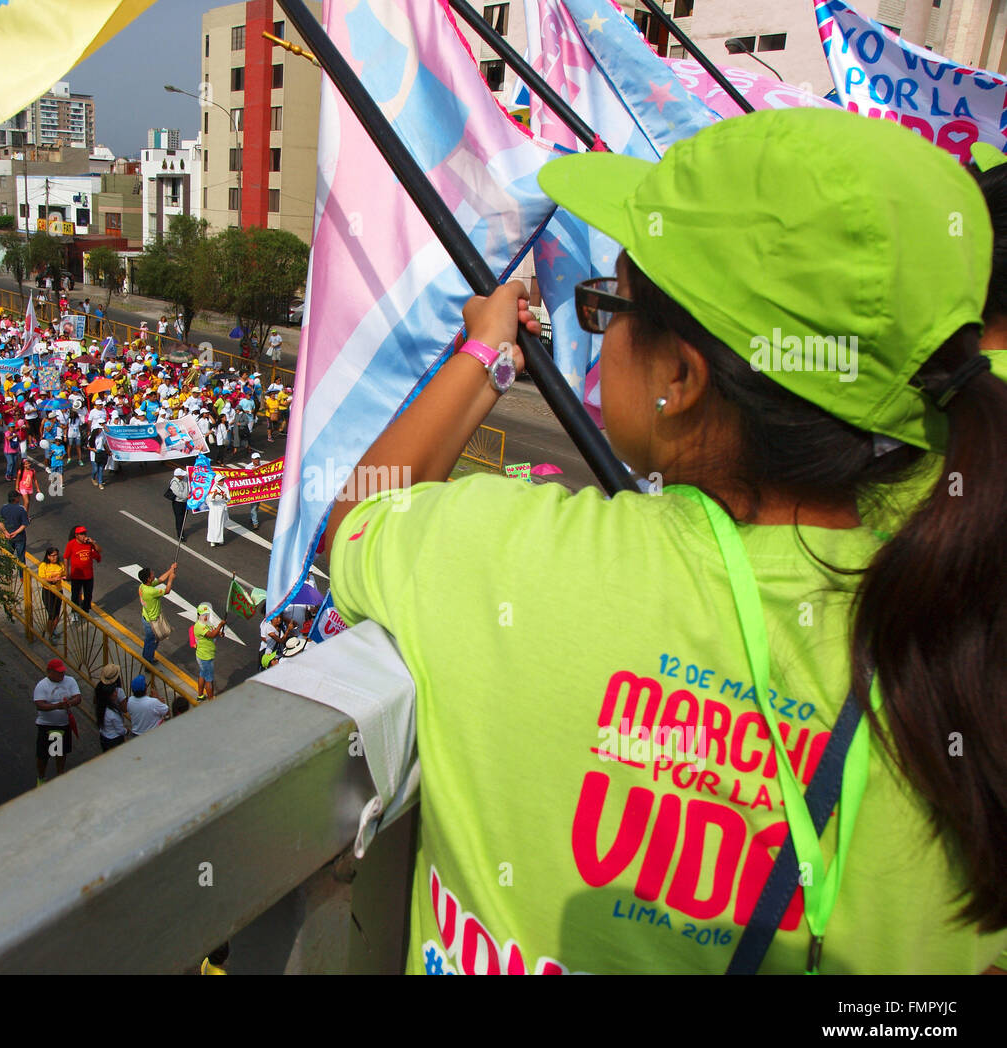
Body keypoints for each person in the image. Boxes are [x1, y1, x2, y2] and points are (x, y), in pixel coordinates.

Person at [326, 109, 1007, 975]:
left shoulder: (507, 557)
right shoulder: (968, 611)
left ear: (680, 377)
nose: (599, 328)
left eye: (609, 301)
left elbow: (360, 512)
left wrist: (489, 350)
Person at [34, 658, 81, 785]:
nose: (62, 675)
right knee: (43, 755)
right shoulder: (42, 685)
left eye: (63, 672)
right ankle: (41, 778)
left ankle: (60, 774)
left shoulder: (70, 681)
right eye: (59, 672)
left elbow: (78, 698)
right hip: (46, 726)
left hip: (63, 725)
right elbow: (39, 704)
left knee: (61, 752)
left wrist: (69, 703)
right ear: (49, 672)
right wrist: (57, 706)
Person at [138, 561, 178, 664]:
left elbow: (160, 580)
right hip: (152, 622)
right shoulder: (151, 592)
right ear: (148, 579)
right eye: (152, 574)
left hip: (146, 618)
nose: (153, 574)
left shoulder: (143, 586)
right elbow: (167, 590)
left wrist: (171, 569)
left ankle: (146, 657)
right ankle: (148, 662)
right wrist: (171, 579)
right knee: (152, 642)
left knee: (149, 641)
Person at [64, 525, 102, 615]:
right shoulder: (71, 544)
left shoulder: (89, 544)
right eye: (81, 534)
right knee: (75, 595)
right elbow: (66, 558)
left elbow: (99, 550)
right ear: (76, 535)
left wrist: (93, 543)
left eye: (84, 533)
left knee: (88, 595)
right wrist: (67, 573)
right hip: (76, 575)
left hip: (88, 575)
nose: (84, 535)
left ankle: (85, 611)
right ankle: (74, 612)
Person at [192, 603, 225, 701]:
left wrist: (219, 633)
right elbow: (211, 634)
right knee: (209, 679)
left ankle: (200, 695)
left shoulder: (207, 623)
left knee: (203, 674)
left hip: (207, 654)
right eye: (203, 615)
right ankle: (211, 700)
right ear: (198, 615)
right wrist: (220, 625)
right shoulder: (199, 626)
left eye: (207, 614)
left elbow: (214, 631)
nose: (205, 616)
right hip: (205, 657)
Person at [95, 663, 129, 752]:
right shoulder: (113, 713)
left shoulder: (99, 689)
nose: (115, 694)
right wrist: (126, 731)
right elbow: (124, 709)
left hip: (103, 735)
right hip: (114, 739)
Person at [39, 546, 66, 638]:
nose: (55, 557)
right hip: (47, 592)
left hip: (58, 591)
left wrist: (63, 578)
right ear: (48, 556)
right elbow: (41, 578)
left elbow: (64, 575)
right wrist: (52, 579)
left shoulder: (61, 565)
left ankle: (52, 631)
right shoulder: (44, 566)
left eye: (56, 555)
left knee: (57, 614)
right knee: (51, 614)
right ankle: (49, 632)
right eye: (53, 556)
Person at [0, 491, 29, 561]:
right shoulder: (21, 509)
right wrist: (15, 533)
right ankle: (21, 572)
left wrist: (5, 532)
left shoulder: (3, 508)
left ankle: (7, 571)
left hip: (8, 536)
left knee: (8, 557)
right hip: (19, 537)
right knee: (21, 559)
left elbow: (0, 522)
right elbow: (24, 524)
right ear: (16, 499)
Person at [205, 476, 229, 548]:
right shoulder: (214, 488)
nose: (222, 482)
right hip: (214, 509)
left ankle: (219, 539)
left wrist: (225, 497)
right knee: (213, 524)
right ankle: (212, 540)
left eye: (223, 480)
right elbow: (209, 499)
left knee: (220, 524)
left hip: (221, 508)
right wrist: (214, 496)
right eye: (221, 480)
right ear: (217, 481)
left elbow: (228, 498)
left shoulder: (225, 487)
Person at [169, 467, 190, 541]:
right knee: (179, 519)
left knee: (184, 517)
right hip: (178, 503)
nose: (184, 476)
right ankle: (180, 534)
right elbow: (181, 495)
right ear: (178, 476)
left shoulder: (184, 478)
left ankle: (181, 530)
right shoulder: (174, 483)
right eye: (182, 475)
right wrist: (188, 495)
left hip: (186, 502)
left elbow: (190, 474)